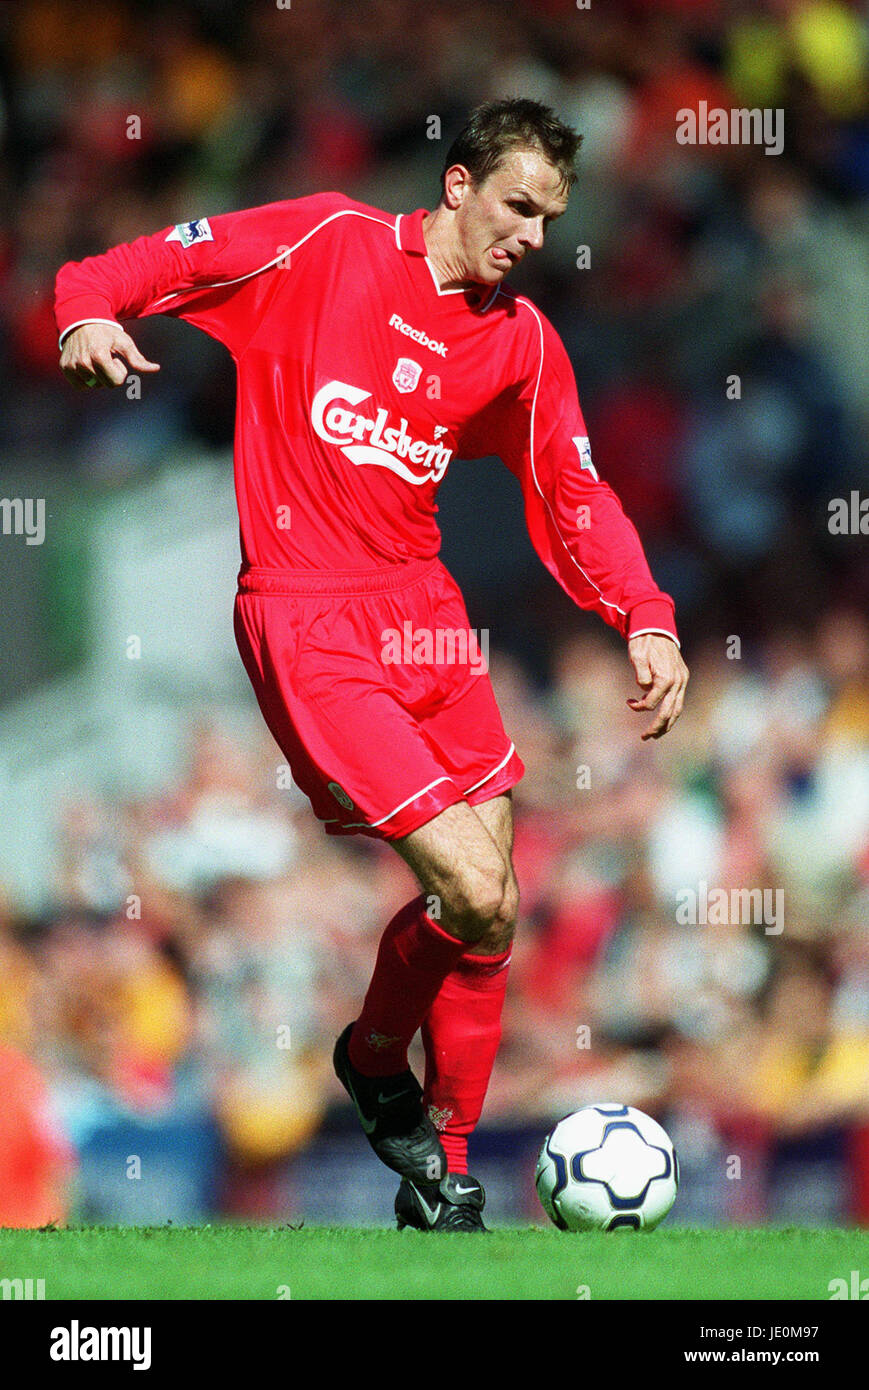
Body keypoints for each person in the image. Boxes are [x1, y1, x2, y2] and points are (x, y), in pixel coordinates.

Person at [56, 99, 688, 1231]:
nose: (534, 233)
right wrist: (82, 317)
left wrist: (643, 613)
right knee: (475, 888)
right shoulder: (323, 239)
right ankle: (372, 1053)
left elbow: (574, 492)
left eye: (550, 216)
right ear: (456, 186)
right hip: (310, 623)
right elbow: (144, 260)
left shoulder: (519, 341)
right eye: (517, 205)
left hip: (427, 618)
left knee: (494, 915)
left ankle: (440, 1177)